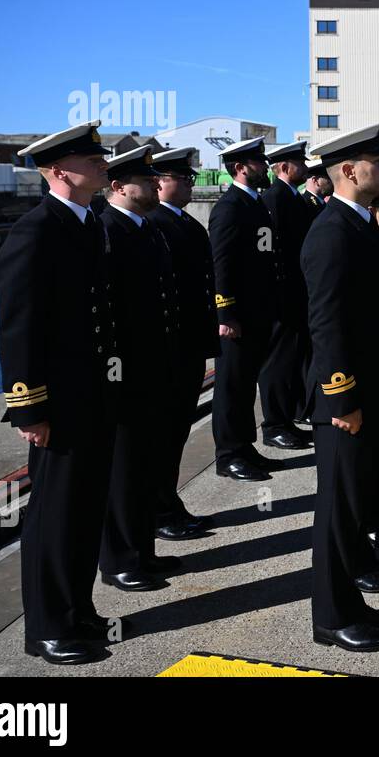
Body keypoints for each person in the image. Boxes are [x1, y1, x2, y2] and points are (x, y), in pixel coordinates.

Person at [0, 121, 117, 664]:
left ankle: (77, 610)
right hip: (59, 401)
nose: (103, 165)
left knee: (86, 508)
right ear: (58, 170)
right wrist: (29, 406)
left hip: (93, 394)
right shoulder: (36, 230)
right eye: (91, 160)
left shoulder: (88, 223)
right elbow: (19, 327)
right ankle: (48, 628)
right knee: (54, 514)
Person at [302, 123, 379, 654]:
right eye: (377, 161)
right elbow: (327, 326)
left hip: (370, 389)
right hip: (346, 399)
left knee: (353, 508)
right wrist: (342, 398)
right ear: (348, 170)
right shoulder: (331, 233)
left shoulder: (360, 225)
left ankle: (352, 602)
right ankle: (332, 617)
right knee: (338, 512)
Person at [98, 147, 182, 593]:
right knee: (124, 469)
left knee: (146, 465)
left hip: (153, 367)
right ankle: (119, 559)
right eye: (145, 180)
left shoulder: (146, 229)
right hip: (125, 374)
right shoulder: (107, 231)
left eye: (155, 179)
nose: (154, 185)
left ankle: (141, 550)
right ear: (117, 187)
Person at [147, 147, 217, 541]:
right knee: (162, 438)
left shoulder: (186, 225)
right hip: (170, 350)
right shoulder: (154, 224)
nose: (191, 184)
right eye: (183, 178)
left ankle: (168, 503)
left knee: (175, 435)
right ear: (160, 182)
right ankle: (160, 510)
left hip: (188, 346)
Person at [210, 137, 281, 481]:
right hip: (237, 316)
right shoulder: (229, 207)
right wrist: (225, 313)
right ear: (240, 168)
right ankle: (228, 455)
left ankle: (244, 446)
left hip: (258, 311)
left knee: (246, 383)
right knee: (232, 386)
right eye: (258, 162)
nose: (265, 166)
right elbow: (220, 264)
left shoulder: (254, 204)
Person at [260, 141, 315, 451]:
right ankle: (274, 424)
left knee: (292, 362)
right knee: (277, 365)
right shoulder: (275, 198)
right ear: (283, 167)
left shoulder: (292, 199)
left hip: (296, 294)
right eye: (299, 163)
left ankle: (288, 418)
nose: (305, 168)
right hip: (282, 297)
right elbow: (275, 254)